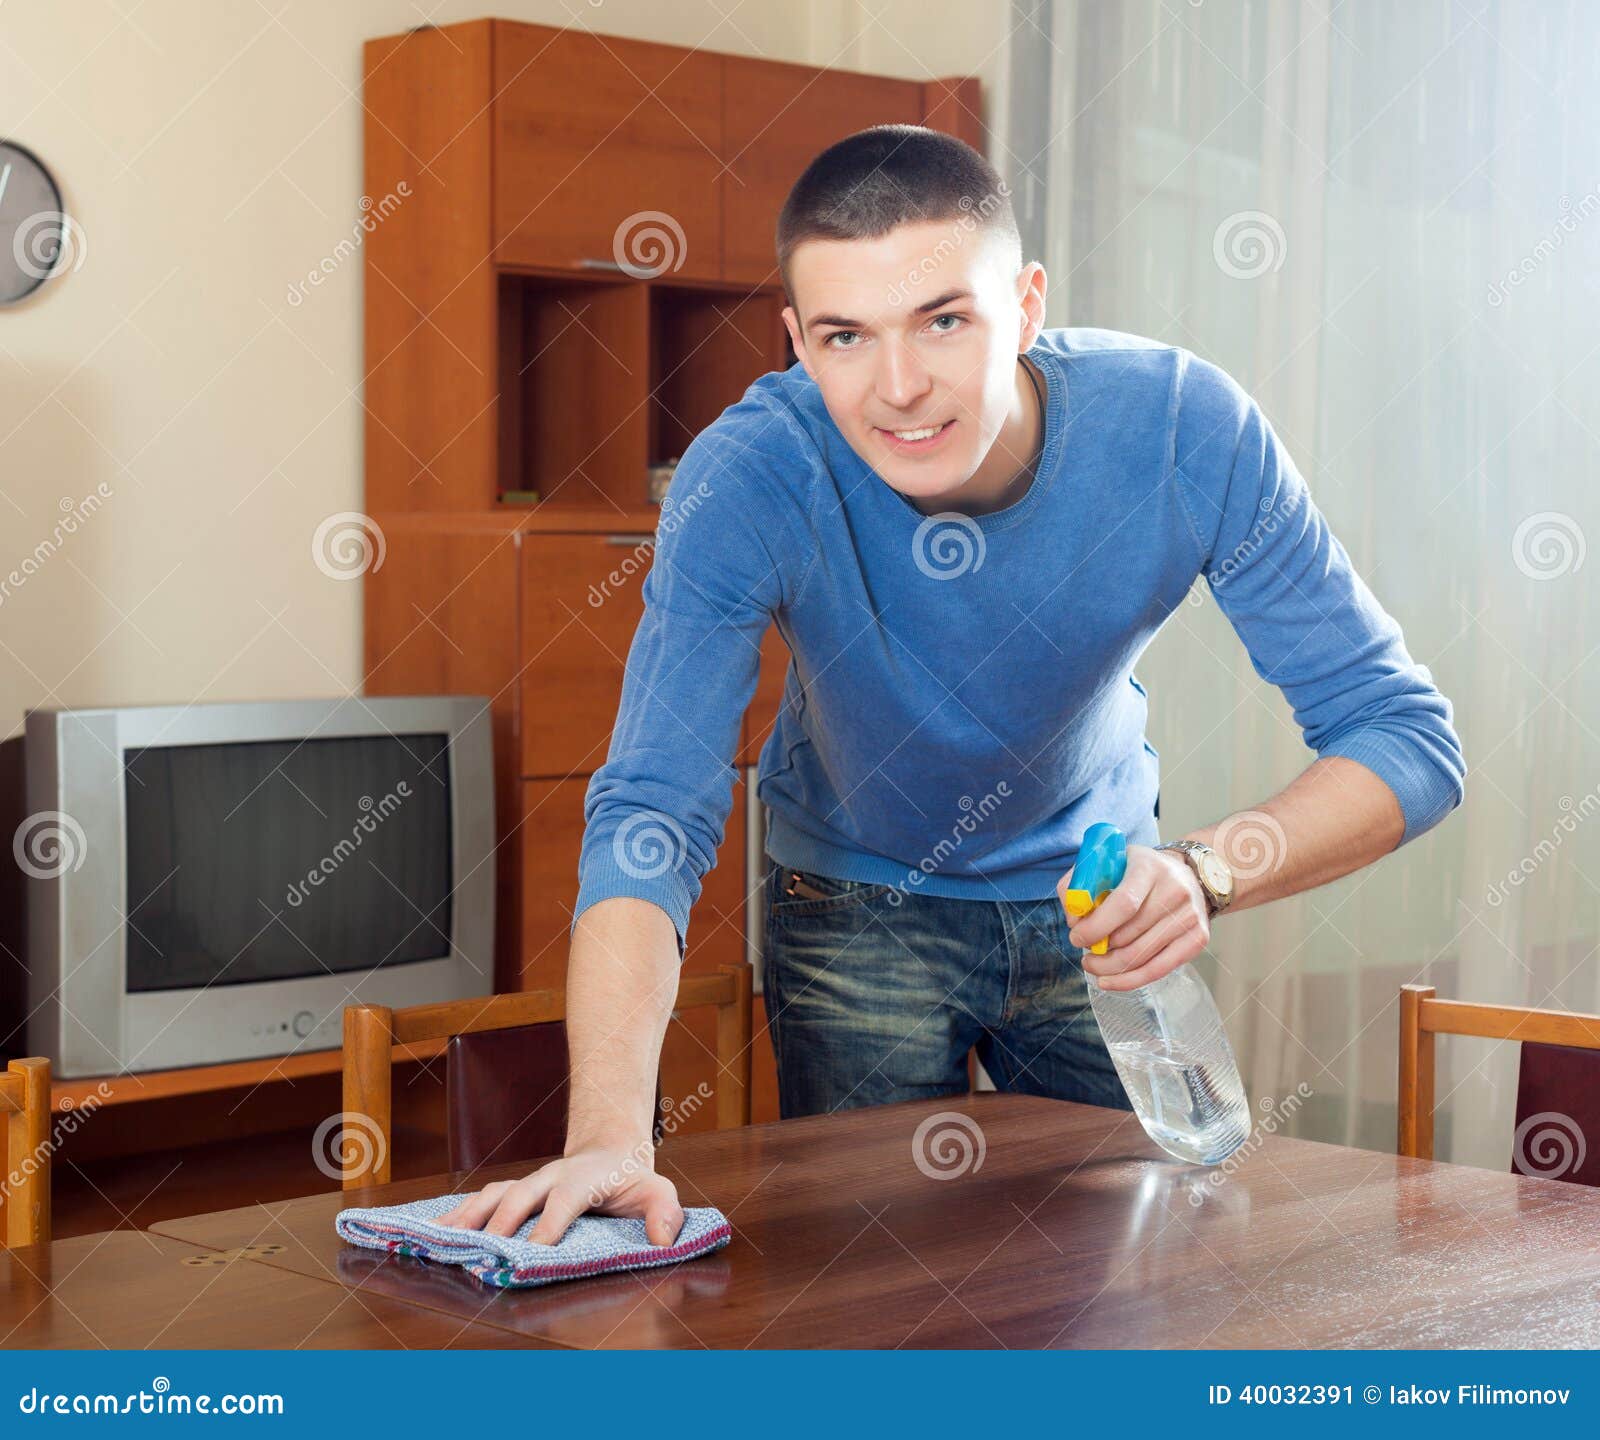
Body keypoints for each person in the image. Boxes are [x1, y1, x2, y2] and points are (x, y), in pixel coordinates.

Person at [438, 124, 1465, 1246]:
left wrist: (1204, 874)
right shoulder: (750, 478)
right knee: (872, 1292)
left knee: (1136, 1287)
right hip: (850, 909)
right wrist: (607, 1140)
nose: (898, 389)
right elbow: (650, 815)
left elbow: (1404, 738)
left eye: (942, 320)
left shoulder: (1180, 426)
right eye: (844, 336)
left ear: (1023, 306)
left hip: (1098, 905)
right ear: (795, 344)